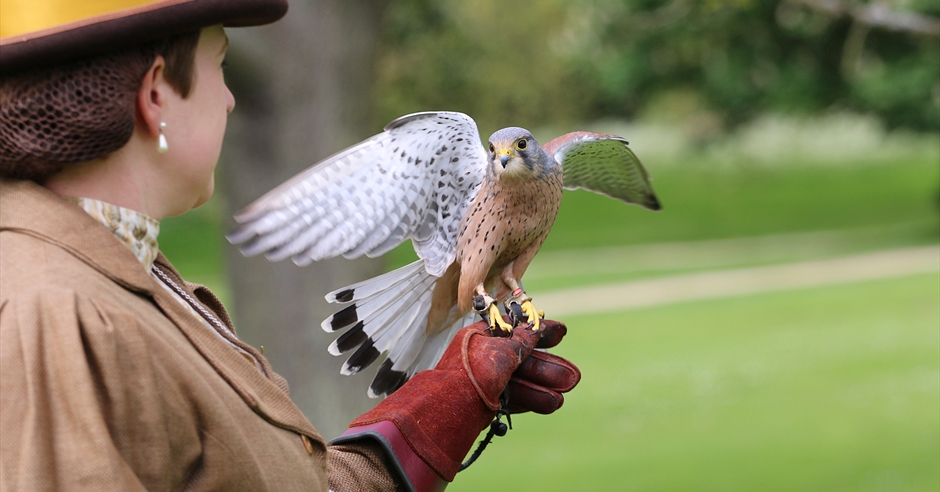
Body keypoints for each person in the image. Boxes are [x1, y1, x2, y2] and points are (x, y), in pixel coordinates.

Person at [0, 1, 580, 491]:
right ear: (156, 94)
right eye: (220, 67)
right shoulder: (58, 314)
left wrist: (435, 415)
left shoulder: (120, 269)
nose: (229, 100)